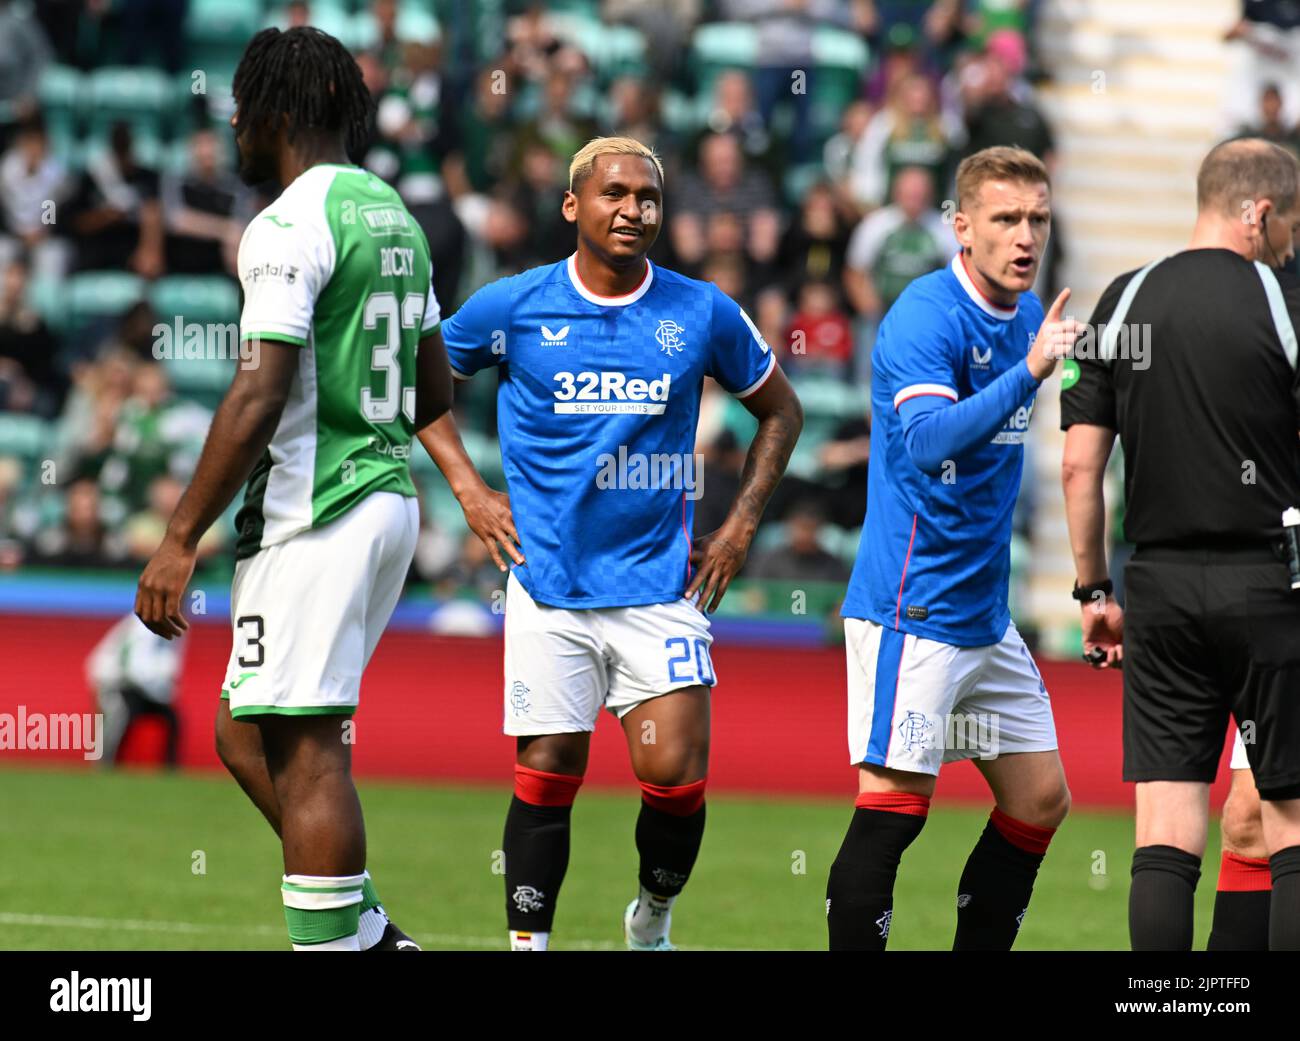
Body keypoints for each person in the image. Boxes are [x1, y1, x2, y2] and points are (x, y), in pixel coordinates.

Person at [418, 136, 803, 951]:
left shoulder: (699, 310)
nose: (633, 209)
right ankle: (529, 946)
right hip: (547, 582)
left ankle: (652, 918)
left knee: (673, 778)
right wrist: (469, 490)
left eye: (649, 197)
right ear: (573, 207)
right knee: (550, 767)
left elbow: (782, 410)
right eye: (615, 194)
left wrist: (737, 526)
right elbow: (419, 382)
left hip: (658, 589)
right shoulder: (514, 306)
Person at [134, 26, 454, 952]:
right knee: (245, 732)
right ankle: (372, 932)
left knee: (309, 753)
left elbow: (257, 387)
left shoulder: (285, 223)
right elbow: (433, 388)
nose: (233, 120)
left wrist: (178, 535)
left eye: (242, 103)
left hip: (317, 512)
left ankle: (339, 946)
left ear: (275, 111)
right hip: (385, 497)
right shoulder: (393, 212)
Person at [827, 146, 1076, 951]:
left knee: (1040, 799)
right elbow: (930, 441)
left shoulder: (1031, 315)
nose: (1025, 235)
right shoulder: (926, 313)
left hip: (983, 614)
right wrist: (1028, 374)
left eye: (1037, 218)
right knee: (894, 811)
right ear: (962, 227)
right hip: (915, 603)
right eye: (1006, 219)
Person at [1060, 137, 1300, 951]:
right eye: (1291, 226)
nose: (1292, 244)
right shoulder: (1283, 299)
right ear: (1259, 212)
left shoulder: (1123, 301)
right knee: (1289, 818)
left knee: (1165, 829)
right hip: (1271, 586)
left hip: (1156, 588)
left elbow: (1077, 465)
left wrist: (1094, 592)